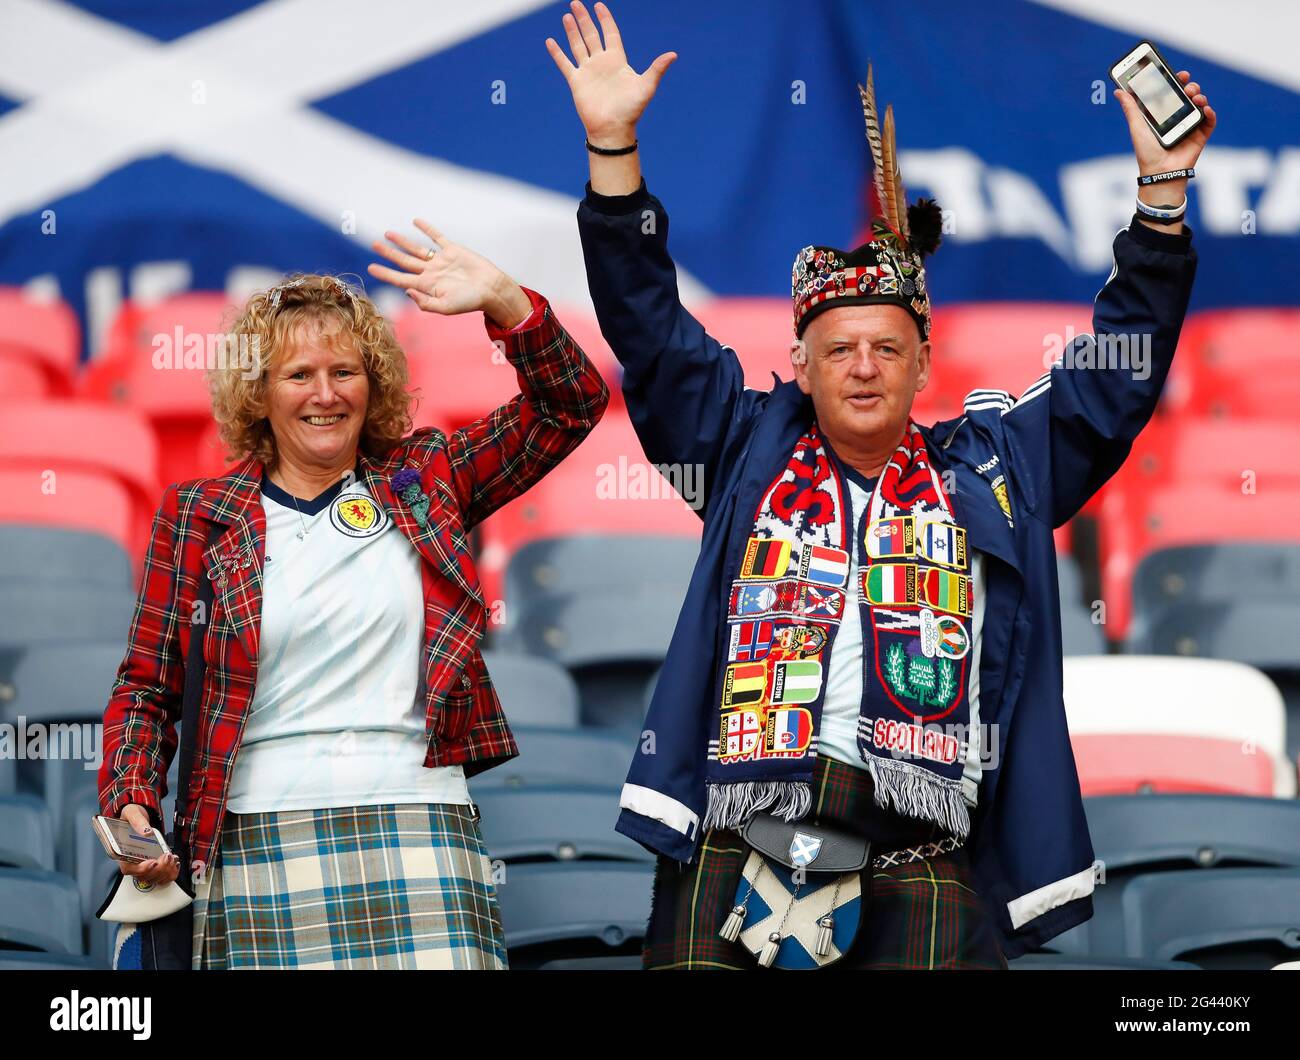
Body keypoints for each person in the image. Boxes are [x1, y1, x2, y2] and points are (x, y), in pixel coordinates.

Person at [548, 1, 1215, 968]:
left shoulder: (994, 468)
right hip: (746, 826)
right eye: (840, 350)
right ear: (802, 365)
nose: (863, 367)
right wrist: (614, 155)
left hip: (922, 841)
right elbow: (649, 330)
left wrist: (1161, 195)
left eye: (886, 349)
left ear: (922, 363)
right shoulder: (743, 445)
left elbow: (1113, 378)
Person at [97, 220, 610, 968]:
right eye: (298, 374)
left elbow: (571, 406)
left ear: (376, 383)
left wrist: (504, 300)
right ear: (259, 391)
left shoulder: (426, 478)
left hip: (421, 821)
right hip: (255, 833)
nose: (326, 394)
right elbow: (146, 686)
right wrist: (133, 798)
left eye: (346, 371)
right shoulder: (200, 515)